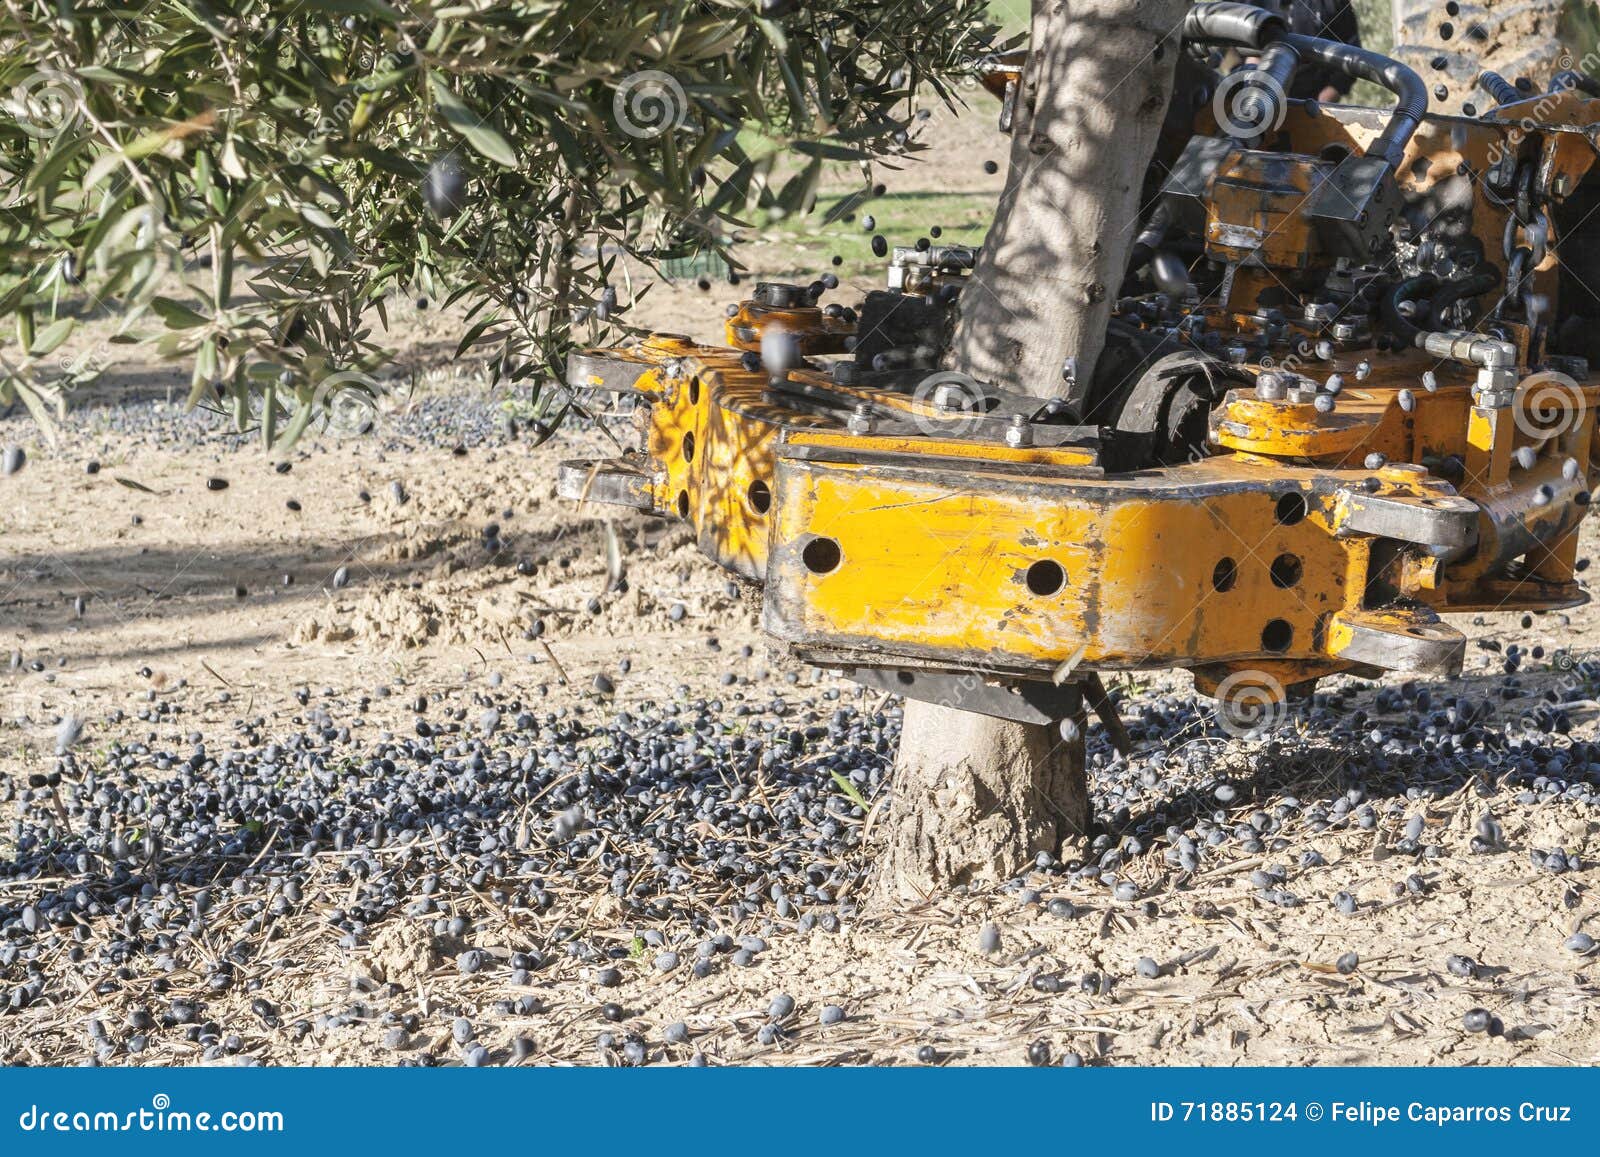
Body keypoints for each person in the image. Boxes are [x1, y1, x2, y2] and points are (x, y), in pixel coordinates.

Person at [1260, 0, 1365, 103]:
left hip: (1313, 103)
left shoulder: (1333, 3)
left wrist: (1327, 97)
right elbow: (1250, 47)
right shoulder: (1260, 3)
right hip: (1265, 96)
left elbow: (1353, 52)